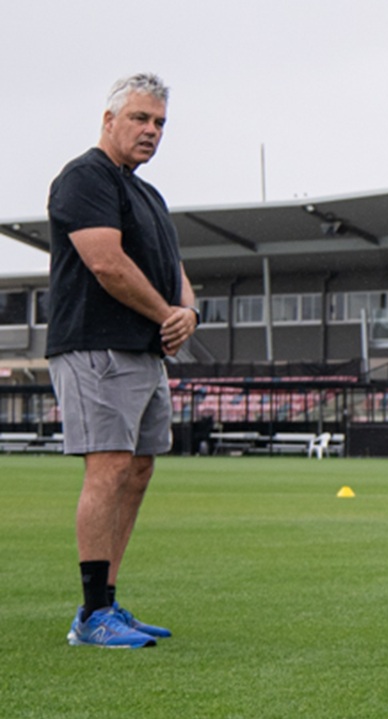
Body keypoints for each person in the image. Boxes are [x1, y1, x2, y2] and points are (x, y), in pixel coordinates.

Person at [46, 73, 197, 649]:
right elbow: (106, 263)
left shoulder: (148, 194)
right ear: (109, 120)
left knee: (137, 470)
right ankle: (90, 615)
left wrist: (189, 312)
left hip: (143, 349)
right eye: (140, 118)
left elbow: (174, 270)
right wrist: (167, 314)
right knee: (107, 468)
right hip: (95, 346)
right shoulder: (85, 177)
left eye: (159, 122)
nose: (151, 131)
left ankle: (105, 603)